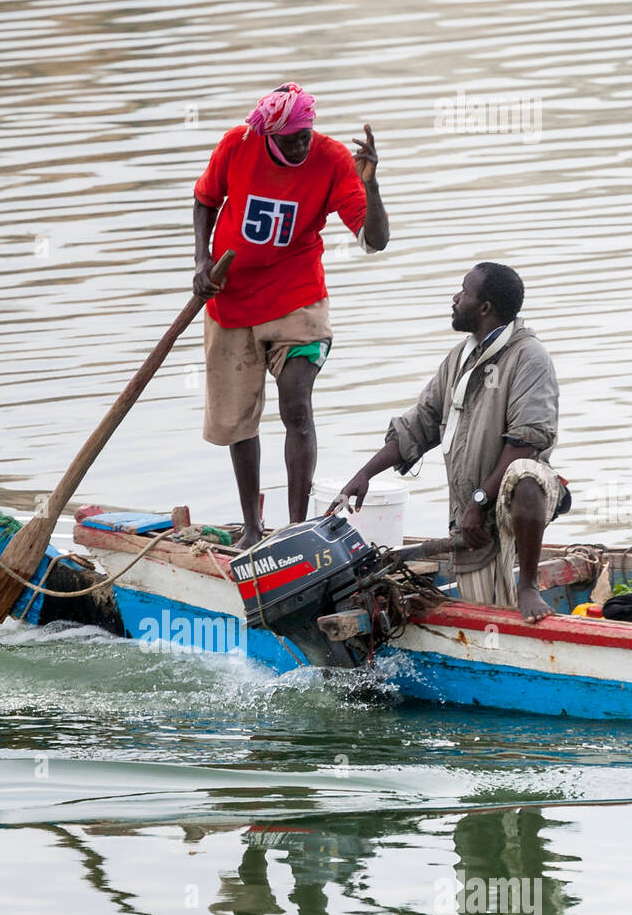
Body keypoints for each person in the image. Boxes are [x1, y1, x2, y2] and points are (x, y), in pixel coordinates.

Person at [192, 83, 390, 550]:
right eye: (291, 139)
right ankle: (253, 528)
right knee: (240, 420)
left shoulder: (332, 159)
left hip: (297, 299)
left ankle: (297, 528)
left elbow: (375, 240)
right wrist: (201, 263)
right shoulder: (237, 146)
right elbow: (204, 200)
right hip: (232, 300)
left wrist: (371, 184)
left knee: (296, 404)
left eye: (307, 135)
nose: (302, 145)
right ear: (269, 136)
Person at [328, 263, 563, 623]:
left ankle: (528, 584)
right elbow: (421, 423)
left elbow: (526, 441)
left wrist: (479, 501)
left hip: (507, 501)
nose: (455, 299)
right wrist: (365, 474)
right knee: (488, 616)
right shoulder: (459, 359)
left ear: (484, 308)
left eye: (464, 292)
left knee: (525, 477)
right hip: (469, 517)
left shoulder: (529, 356)